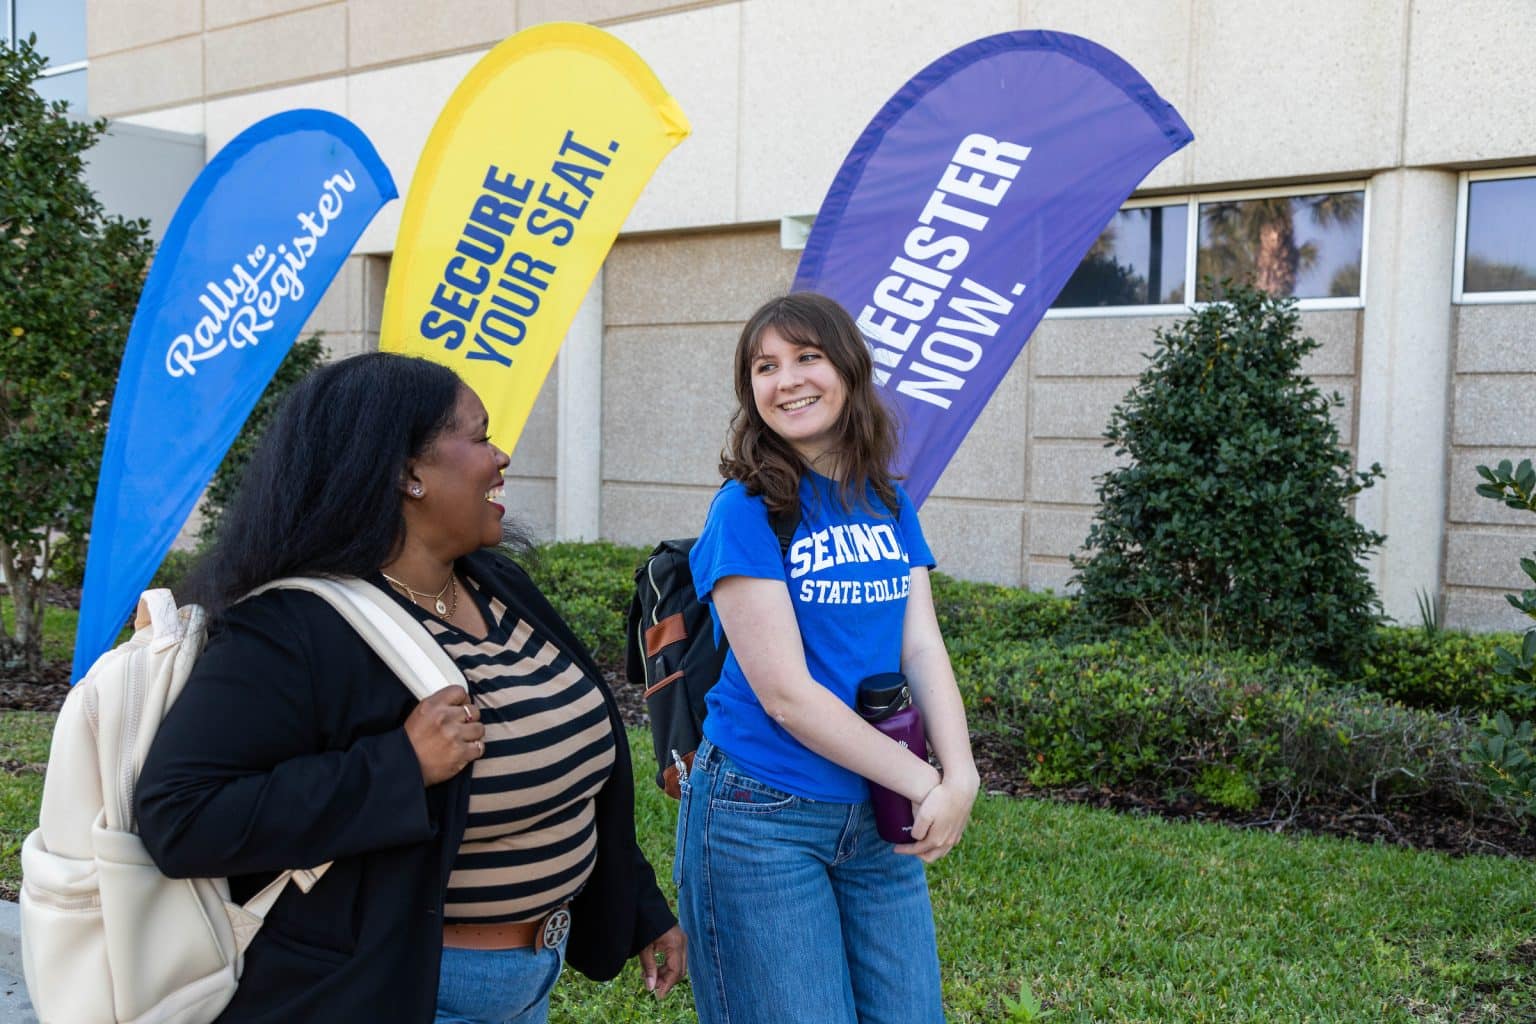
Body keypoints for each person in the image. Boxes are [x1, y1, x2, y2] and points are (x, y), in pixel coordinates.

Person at [136, 352, 685, 1023]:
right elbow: (180, 818)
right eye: (480, 437)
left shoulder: (494, 583)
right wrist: (399, 765)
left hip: (530, 982)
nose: (501, 456)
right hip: (401, 990)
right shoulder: (294, 629)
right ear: (406, 473)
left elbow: (573, 767)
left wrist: (638, 906)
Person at [677, 292, 978, 1023]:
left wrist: (961, 774)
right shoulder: (746, 510)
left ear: (848, 369)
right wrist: (920, 778)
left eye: (807, 357)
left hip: (878, 816)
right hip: (761, 816)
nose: (787, 380)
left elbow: (919, 644)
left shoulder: (887, 501)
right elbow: (786, 695)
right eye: (765, 366)